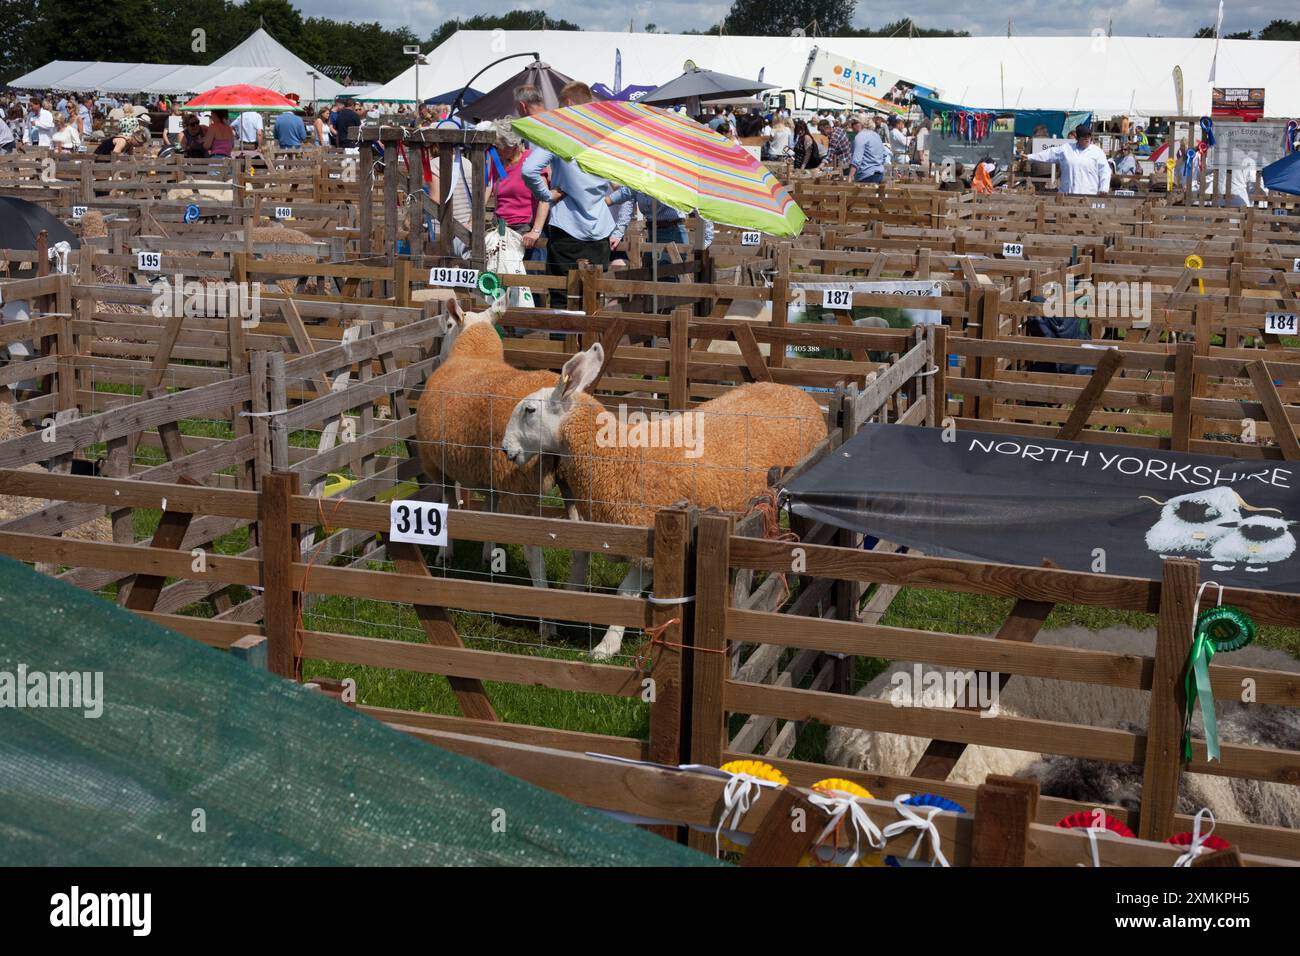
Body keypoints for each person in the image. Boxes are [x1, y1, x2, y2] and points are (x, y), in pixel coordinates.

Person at [521, 81, 616, 306]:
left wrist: (545, 195)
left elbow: (528, 169)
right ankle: (593, 342)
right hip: (600, 231)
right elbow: (627, 181)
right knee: (594, 299)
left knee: (563, 298)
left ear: (570, 105)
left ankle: (565, 340)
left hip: (567, 229)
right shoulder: (605, 136)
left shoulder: (560, 134)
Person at [491, 118, 549, 263]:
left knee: (529, 283)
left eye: (499, 145)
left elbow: (544, 198)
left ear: (513, 145)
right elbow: (487, 189)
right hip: (500, 230)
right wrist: (472, 219)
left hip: (525, 233)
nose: (496, 149)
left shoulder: (532, 160)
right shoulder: (497, 162)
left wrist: (535, 231)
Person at [1021, 124, 1111, 195]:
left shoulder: (1097, 152)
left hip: (1089, 193)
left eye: (1088, 136)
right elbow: (1049, 154)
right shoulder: (1066, 149)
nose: (1087, 138)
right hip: (1067, 193)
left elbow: (1105, 171)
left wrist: (1104, 188)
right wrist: (1030, 157)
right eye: (1084, 136)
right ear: (1078, 138)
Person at [849, 114, 887, 183]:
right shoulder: (876, 135)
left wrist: (850, 176)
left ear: (860, 124)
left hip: (866, 175)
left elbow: (856, 160)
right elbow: (884, 154)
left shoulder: (860, 137)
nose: (851, 126)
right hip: (879, 173)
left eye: (853, 123)